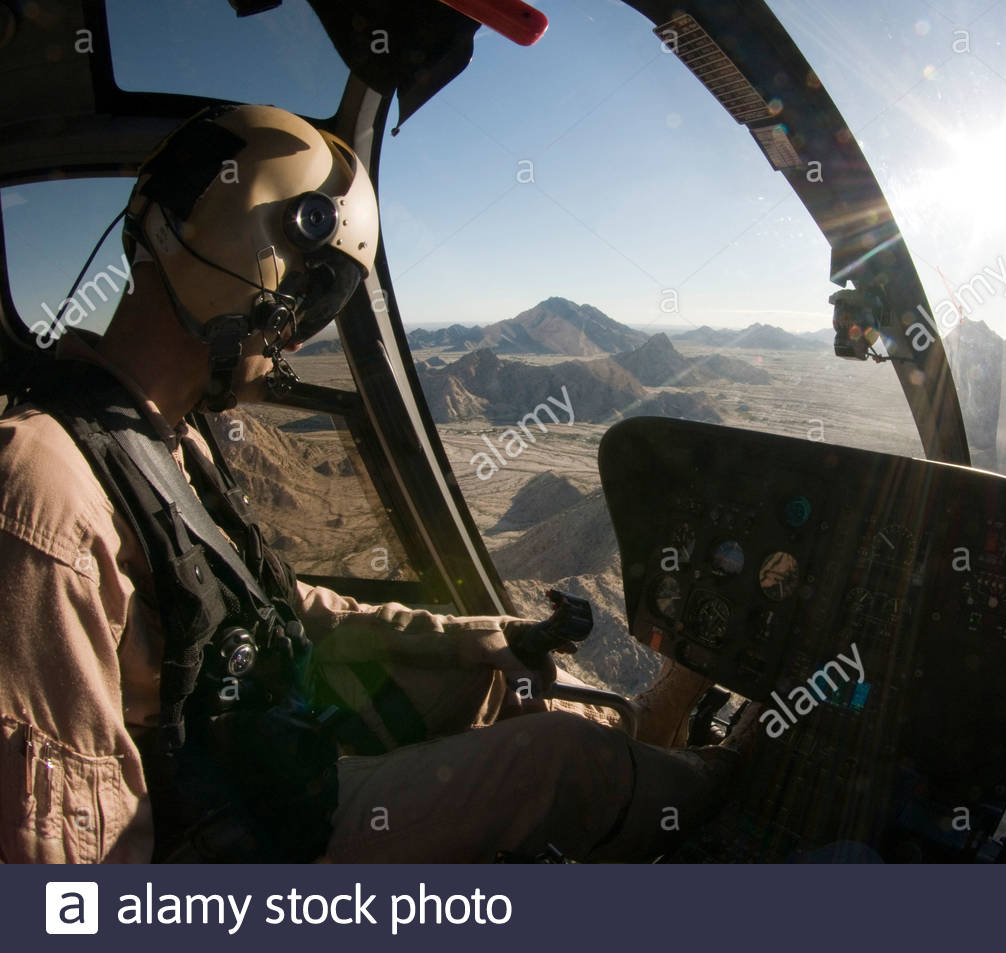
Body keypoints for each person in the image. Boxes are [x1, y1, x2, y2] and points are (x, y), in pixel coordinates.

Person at [0, 103, 741, 864]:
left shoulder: (164, 438)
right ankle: (732, 790)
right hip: (251, 846)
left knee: (493, 684)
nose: (300, 334)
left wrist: (481, 637)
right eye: (314, 295)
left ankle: (645, 741)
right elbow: (68, 885)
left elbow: (279, 608)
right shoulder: (46, 494)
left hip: (265, 759)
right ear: (258, 258)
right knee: (561, 763)